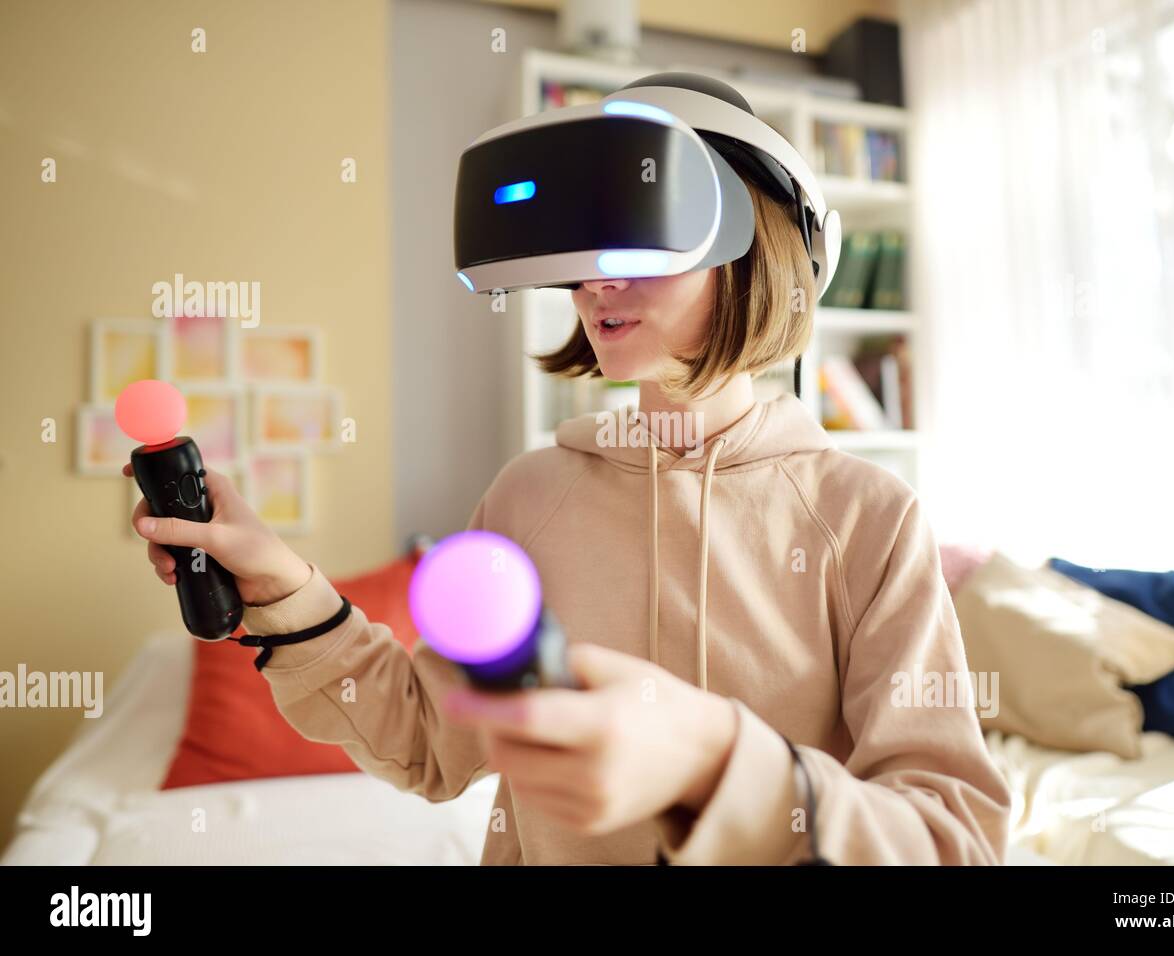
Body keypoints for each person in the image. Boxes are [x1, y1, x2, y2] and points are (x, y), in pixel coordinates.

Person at [127, 162, 1011, 866]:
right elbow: (435, 740)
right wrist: (286, 586)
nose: (594, 285)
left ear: (757, 255)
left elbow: (951, 842)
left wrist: (717, 767)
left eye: (639, 246)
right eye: (585, 255)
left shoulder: (867, 519)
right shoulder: (530, 494)